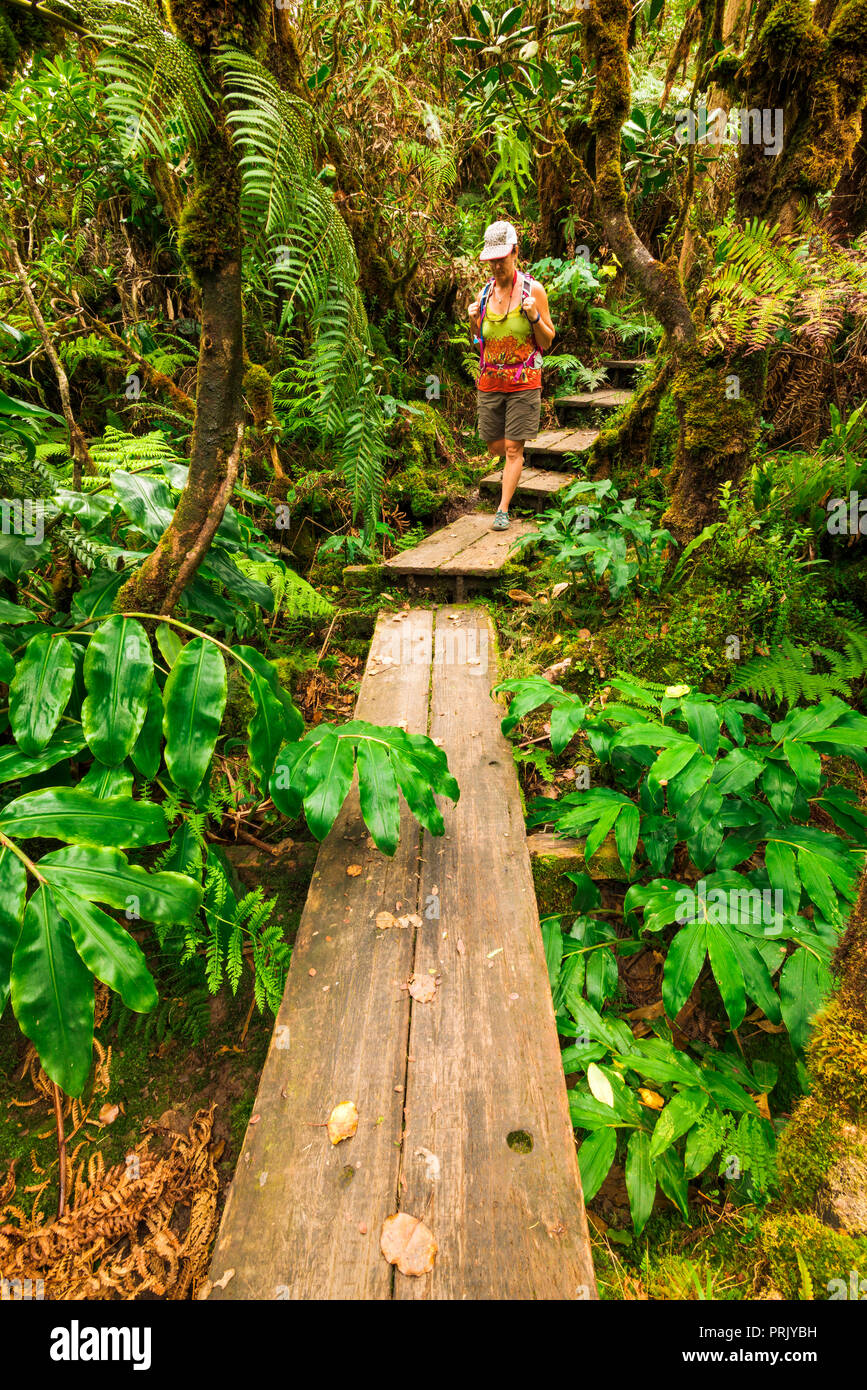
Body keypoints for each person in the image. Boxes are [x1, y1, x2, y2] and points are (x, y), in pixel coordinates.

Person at [468, 220, 555, 530]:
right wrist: (474, 322)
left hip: (524, 382)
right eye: (491, 260)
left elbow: (547, 340)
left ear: (516, 252)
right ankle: (512, 463)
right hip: (490, 381)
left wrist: (533, 316)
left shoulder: (534, 291)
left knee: (513, 448)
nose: (495, 266)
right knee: (494, 445)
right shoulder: (484, 294)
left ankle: (503, 509)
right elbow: (479, 341)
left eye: (501, 259)